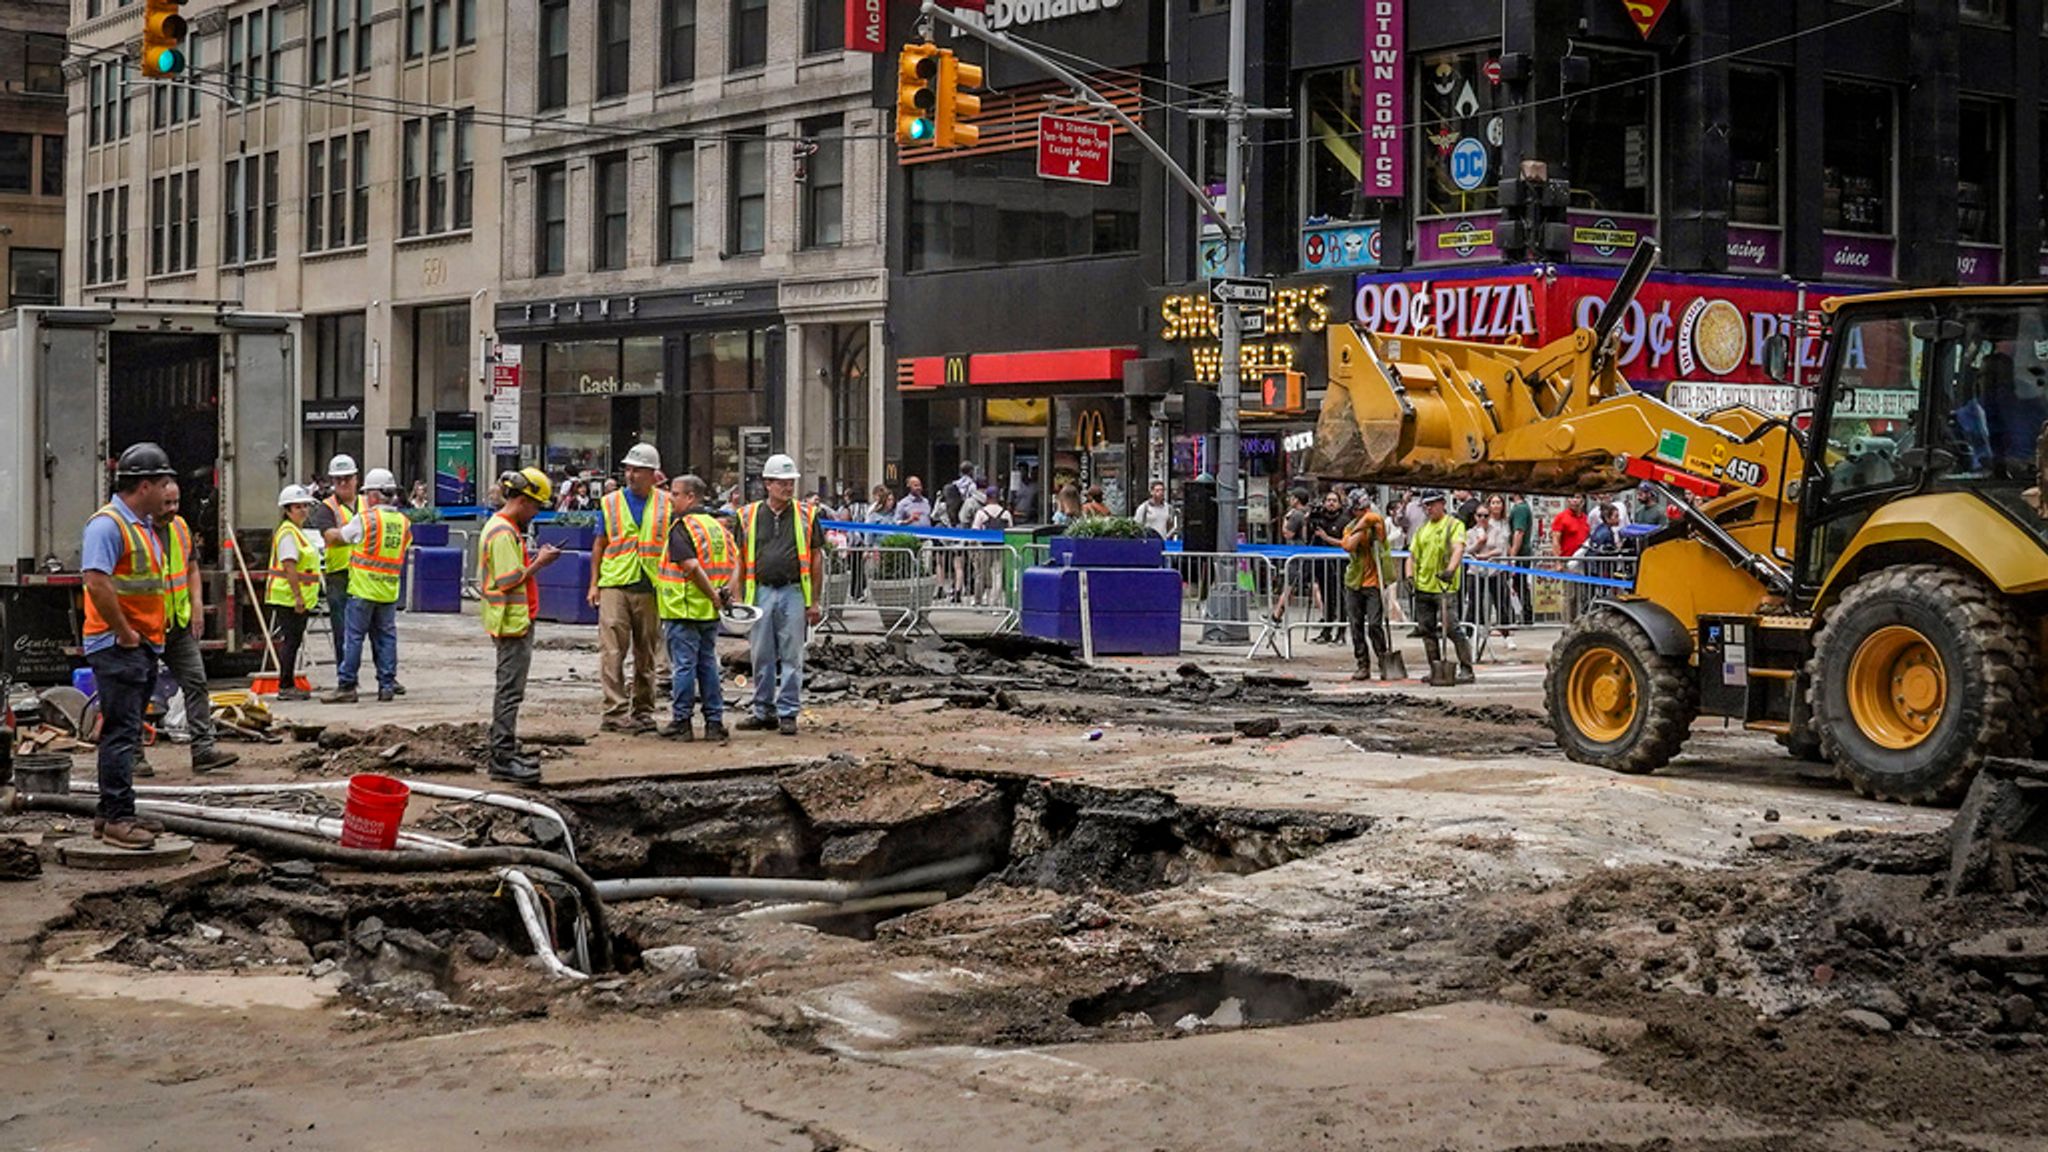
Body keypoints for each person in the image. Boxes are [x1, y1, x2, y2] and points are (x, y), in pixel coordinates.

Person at [81, 444, 181, 849]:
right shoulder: (108, 526)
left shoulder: (141, 525)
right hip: (119, 645)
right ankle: (119, 819)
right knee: (121, 734)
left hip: (139, 644)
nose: (169, 490)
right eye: (164, 483)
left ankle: (111, 813)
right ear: (144, 486)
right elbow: (96, 581)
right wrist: (123, 632)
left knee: (125, 731)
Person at [478, 468, 563, 783]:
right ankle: (501, 758)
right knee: (509, 691)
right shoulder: (502, 532)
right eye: (536, 505)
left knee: (510, 689)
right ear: (524, 500)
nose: (536, 513)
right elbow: (507, 579)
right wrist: (539, 563)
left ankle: (506, 751)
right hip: (511, 623)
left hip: (513, 621)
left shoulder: (505, 528)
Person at [734, 453, 823, 736]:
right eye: (782, 482)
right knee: (761, 655)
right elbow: (739, 559)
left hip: (793, 590)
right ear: (768, 484)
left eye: (791, 482)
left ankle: (787, 712)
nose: (788, 487)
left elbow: (816, 557)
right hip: (760, 592)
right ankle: (763, 710)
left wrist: (814, 601)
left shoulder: (807, 515)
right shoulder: (747, 516)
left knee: (791, 656)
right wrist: (737, 598)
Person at [154, 480, 239, 774]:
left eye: (175, 502)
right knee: (137, 693)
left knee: (196, 682)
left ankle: (203, 750)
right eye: (166, 503)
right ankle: (134, 756)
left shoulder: (179, 527)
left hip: (177, 624)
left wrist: (197, 605)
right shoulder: (136, 531)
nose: (172, 509)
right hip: (147, 628)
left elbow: (191, 567)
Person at [587, 443, 671, 735]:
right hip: (615, 583)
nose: (631, 475)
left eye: (638, 470)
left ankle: (644, 710)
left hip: (650, 585)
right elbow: (600, 544)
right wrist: (594, 584)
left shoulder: (666, 503)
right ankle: (614, 710)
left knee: (646, 653)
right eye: (628, 469)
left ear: (653, 474)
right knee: (612, 650)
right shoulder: (610, 503)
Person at [321, 468, 411, 703]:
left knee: (354, 639)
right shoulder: (403, 522)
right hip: (389, 591)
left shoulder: (366, 519)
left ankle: (347, 685)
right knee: (387, 639)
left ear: (372, 495)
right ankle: (387, 686)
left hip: (362, 590)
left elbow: (341, 537)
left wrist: (331, 534)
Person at [658, 474, 736, 744]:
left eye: (676, 494)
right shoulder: (716, 528)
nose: (671, 498)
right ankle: (714, 723)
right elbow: (737, 563)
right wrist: (724, 594)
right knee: (708, 666)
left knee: (683, 668)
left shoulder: (683, 527)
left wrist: (712, 595)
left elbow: (690, 567)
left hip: (684, 609)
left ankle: (682, 722)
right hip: (708, 614)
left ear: (690, 497)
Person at [1408, 490, 1475, 684]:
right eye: (1425, 505)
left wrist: (1450, 570)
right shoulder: (1422, 529)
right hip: (1424, 587)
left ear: (1442, 503)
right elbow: (1412, 556)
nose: (1428, 509)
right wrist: (1409, 576)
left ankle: (1467, 668)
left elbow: (1458, 549)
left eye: (1431, 504)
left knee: (1451, 628)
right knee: (1427, 630)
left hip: (1444, 587)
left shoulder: (1454, 525)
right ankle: (1435, 668)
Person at [265, 485, 325, 703]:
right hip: (288, 598)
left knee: (294, 641)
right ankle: (286, 685)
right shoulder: (288, 534)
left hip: (293, 597)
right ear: (287, 510)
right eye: (298, 507)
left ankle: (287, 683)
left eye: (305, 506)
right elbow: (290, 566)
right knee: (291, 642)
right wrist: (298, 596)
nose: (303, 510)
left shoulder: (296, 532)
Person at [305, 454, 362, 673]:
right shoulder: (327, 508)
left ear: (356, 478)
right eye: (338, 480)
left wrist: (346, 533)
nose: (343, 483)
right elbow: (330, 536)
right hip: (339, 575)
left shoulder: (365, 503)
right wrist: (355, 533)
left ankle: (385, 678)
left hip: (365, 574)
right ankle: (345, 675)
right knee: (342, 630)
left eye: (347, 478)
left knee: (377, 629)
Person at [1340, 491, 1392, 681]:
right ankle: (1362, 664)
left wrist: (1365, 521)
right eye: (1360, 509)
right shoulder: (1349, 528)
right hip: (1354, 582)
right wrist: (1360, 528)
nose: (1364, 512)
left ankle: (1383, 660)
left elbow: (1374, 518)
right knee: (1356, 625)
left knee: (1375, 624)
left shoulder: (1377, 523)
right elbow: (1349, 546)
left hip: (1374, 583)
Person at [1308, 489, 1348, 643]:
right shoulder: (1320, 519)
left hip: (1340, 565)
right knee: (1327, 597)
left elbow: (1345, 542)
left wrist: (1327, 537)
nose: (1331, 503)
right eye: (1328, 500)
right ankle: (1327, 630)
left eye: (1334, 500)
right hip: (1322, 565)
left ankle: (1341, 632)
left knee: (1341, 598)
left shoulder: (1344, 520)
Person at [1552, 494, 1592, 560]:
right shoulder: (1561, 517)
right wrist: (1557, 562)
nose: (1574, 500)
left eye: (1578, 497)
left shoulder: (1586, 518)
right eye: (1571, 497)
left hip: (1583, 560)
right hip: (1566, 559)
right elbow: (1555, 541)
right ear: (1567, 500)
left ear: (1583, 501)